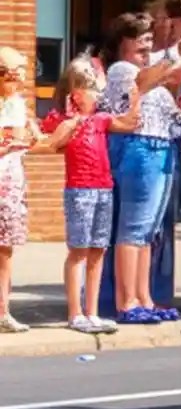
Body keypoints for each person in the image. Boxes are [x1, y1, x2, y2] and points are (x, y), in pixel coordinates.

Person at [98, 12, 181, 324]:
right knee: (133, 228)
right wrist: (171, 49)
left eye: (150, 38)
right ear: (122, 42)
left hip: (161, 149)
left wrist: (178, 52)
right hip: (139, 148)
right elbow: (144, 82)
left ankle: (144, 298)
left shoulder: (151, 72)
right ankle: (126, 302)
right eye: (141, 38)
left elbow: (172, 78)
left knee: (149, 232)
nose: (147, 44)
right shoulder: (122, 70)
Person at [47, 56, 140, 334]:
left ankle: (92, 312)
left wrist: (136, 96)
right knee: (79, 250)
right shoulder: (65, 121)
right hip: (80, 190)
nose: (98, 97)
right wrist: (70, 120)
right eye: (93, 91)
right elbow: (52, 142)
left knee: (98, 249)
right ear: (77, 93)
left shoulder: (100, 120)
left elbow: (131, 123)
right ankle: (75, 313)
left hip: (103, 188)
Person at [0, 46, 43, 333]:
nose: (17, 81)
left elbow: (35, 137)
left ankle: (3, 310)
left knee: (6, 248)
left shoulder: (17, 104)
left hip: (12, 180)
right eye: (11, 75)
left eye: (19, 75)